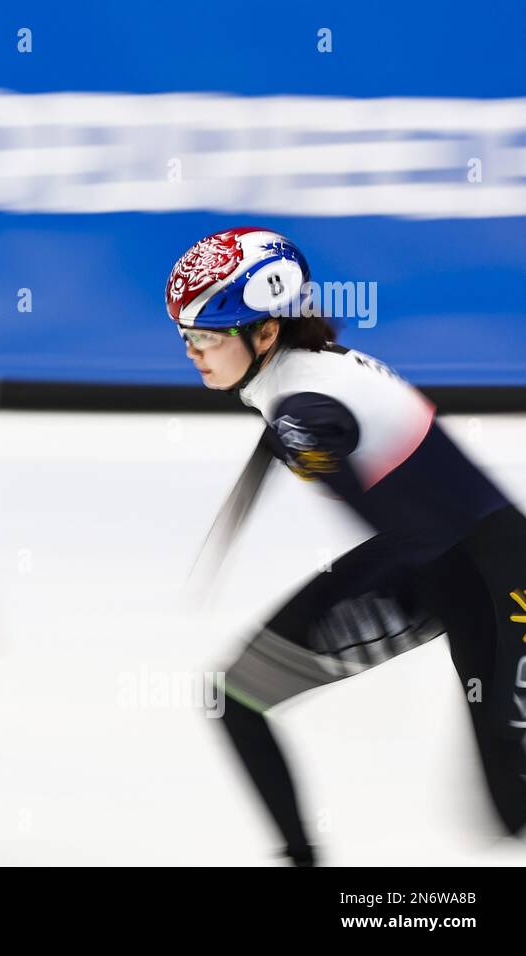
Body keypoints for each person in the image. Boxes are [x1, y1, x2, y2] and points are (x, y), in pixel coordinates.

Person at [166, 226, 526, 865]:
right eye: (186, 336)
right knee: (237, 696)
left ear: (266, 332)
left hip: (501, 576)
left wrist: (302, 440)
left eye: (206, 336)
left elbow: (320, 426)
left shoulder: (304, 394)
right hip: (420, 564)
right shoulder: (309, 368)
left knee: (515, 799)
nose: (193, 350)